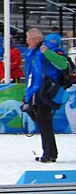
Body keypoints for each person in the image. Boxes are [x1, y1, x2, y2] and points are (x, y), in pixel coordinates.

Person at [22, 27, 67, 163]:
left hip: (47, 90)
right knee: (42, 121)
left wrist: (47, 53)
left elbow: (63, 64)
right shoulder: (33, 52)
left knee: (43, 120)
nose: (26, 42)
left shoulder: (48, 48)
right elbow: (32, 76)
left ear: (36, 39)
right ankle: (50, 152)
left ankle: (49, 153)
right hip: (38, 90)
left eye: (28, 39)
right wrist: (28, 95)